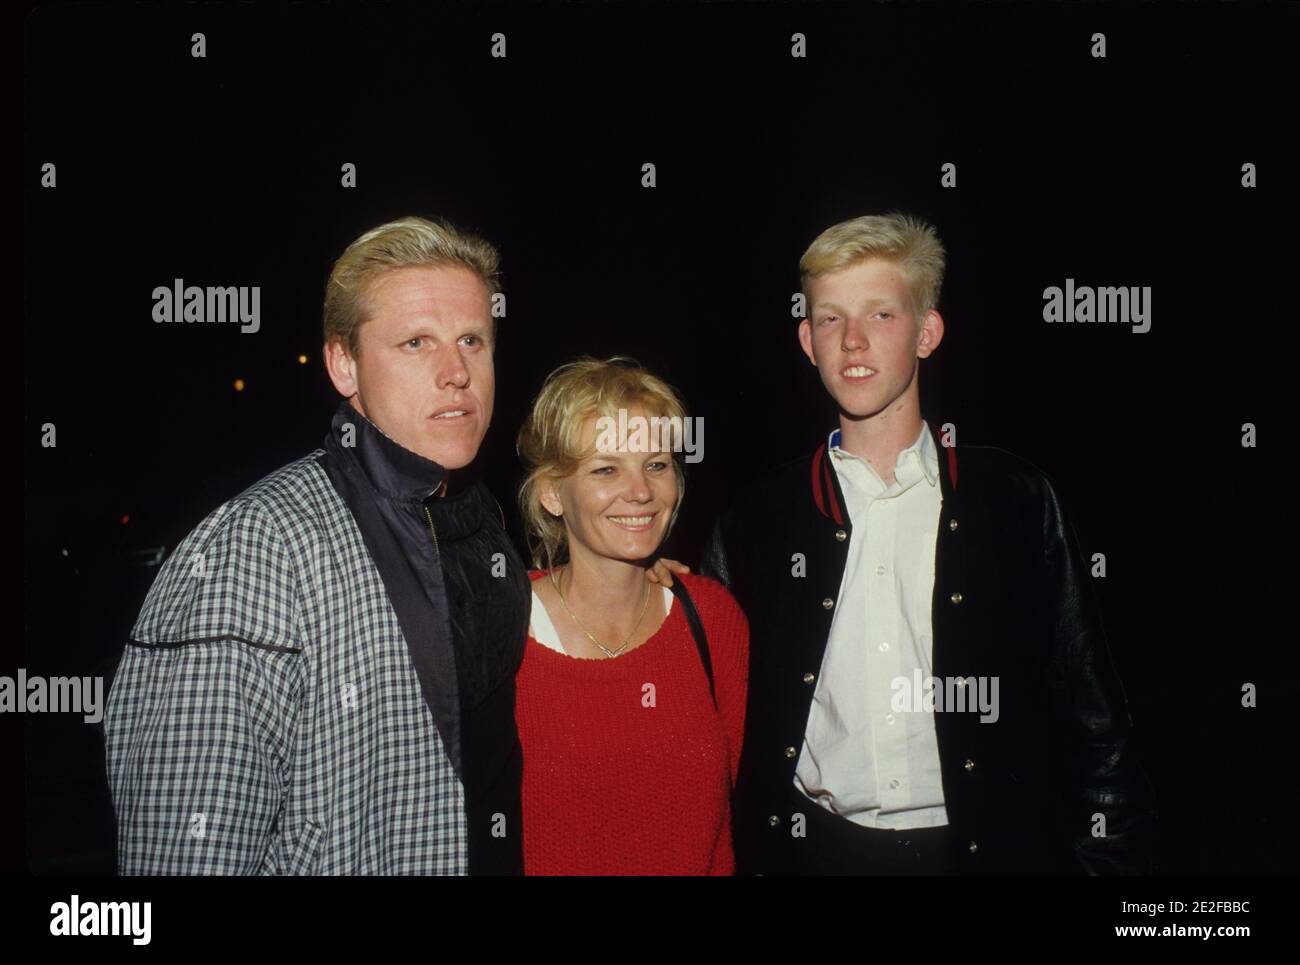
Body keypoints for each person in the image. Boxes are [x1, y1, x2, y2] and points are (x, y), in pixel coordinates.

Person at [696, 213, 1156, 875]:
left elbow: (1097, 727)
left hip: (982, 857)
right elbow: (711, 725)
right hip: (813, 856)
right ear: (806, 339)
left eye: (881, 314)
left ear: (927, 332)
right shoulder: (756, 520)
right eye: (830, 318)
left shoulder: (1015, 499)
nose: (852, 340)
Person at [104, 215, 532, 874]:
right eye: (416, 342)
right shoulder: (253, 553)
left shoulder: (481, 524)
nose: (456, 372)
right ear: (343, 363)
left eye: (472, 339)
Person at [513, 357, 748, 875]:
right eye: (605, 468)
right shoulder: (502, 626)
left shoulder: (712, 619)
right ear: (553, 492)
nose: (640, 491)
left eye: (657, 464)